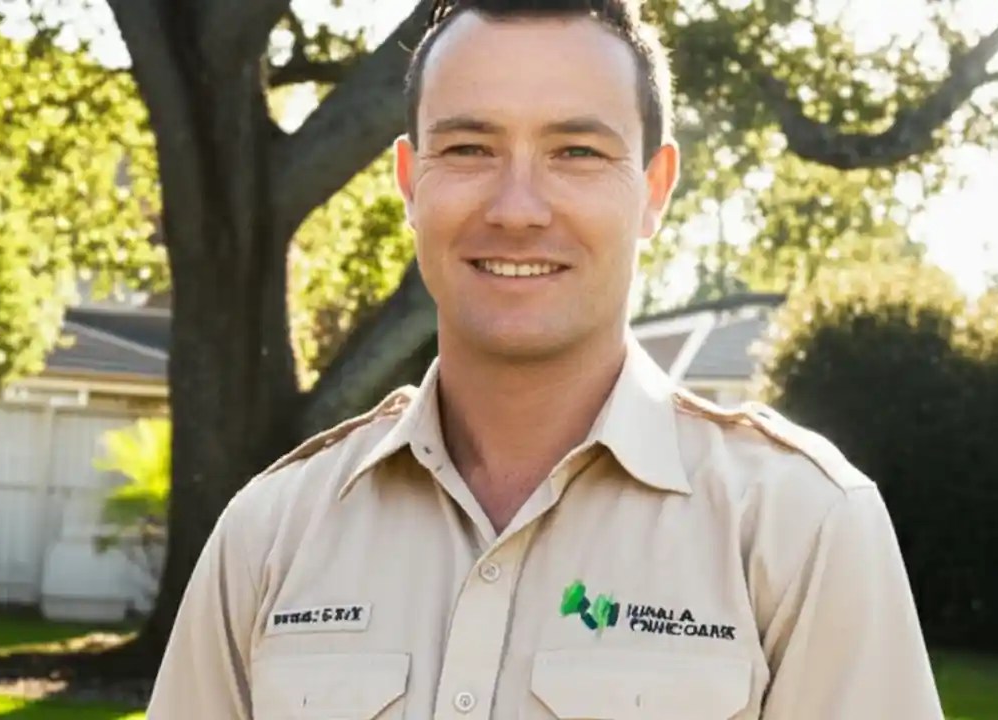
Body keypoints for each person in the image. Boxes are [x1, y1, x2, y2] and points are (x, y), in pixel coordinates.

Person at [146, 0, 943, 717]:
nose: (518, 209)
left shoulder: (801, 529)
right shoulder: (268, 534)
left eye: (577, 153)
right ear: (410, 183)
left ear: (655, 189)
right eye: (467, 148)